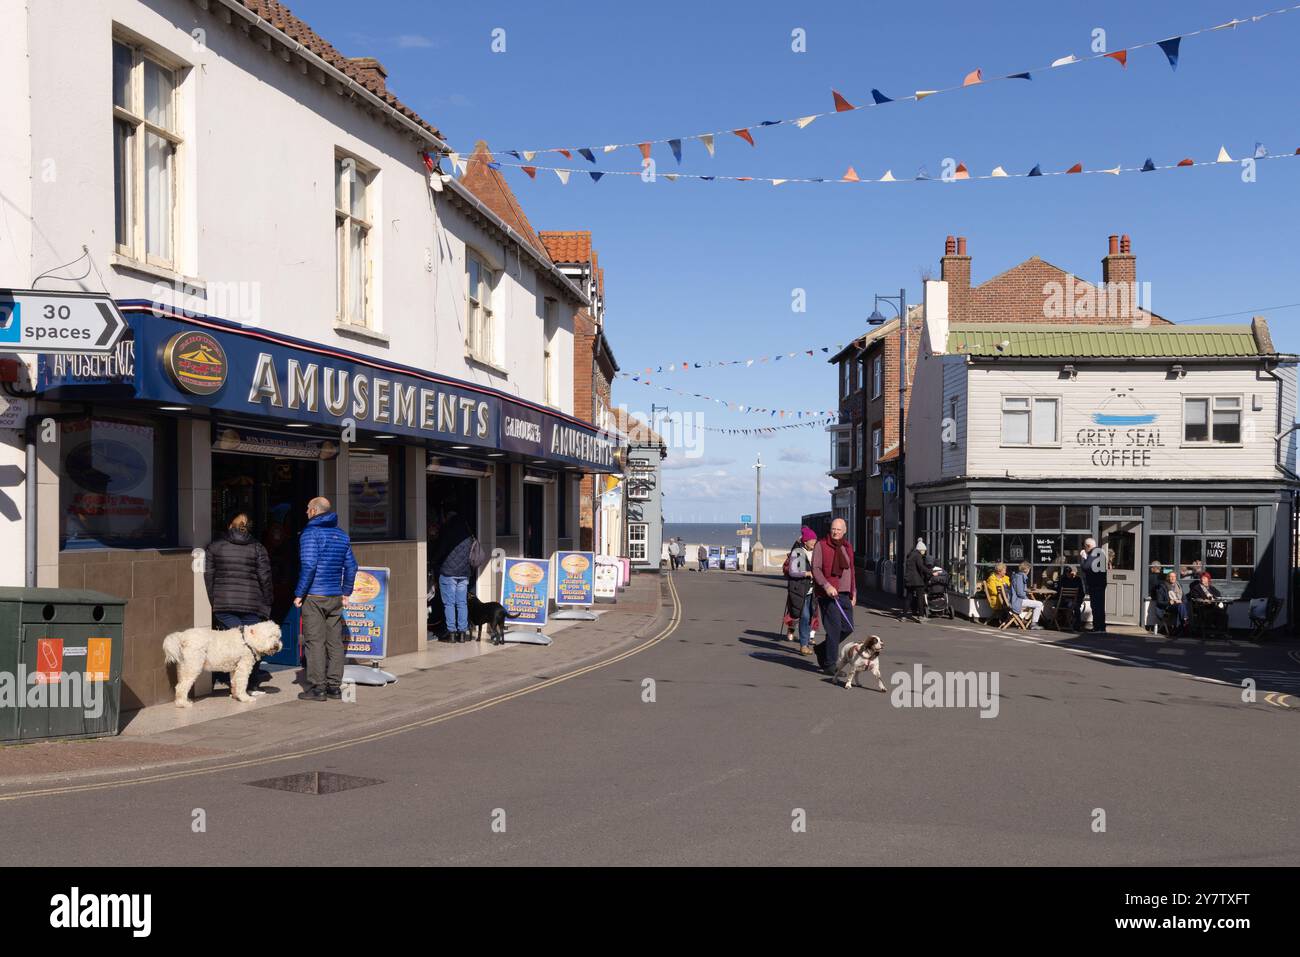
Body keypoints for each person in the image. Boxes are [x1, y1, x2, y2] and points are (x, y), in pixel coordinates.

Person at [294, 496, 358, 702]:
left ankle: (318, 688)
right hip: (334, 596)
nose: (305, 512)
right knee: (335, 643)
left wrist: (299, 593)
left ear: (314, 511)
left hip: (314, 596)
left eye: (307, 508)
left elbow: (309, 565)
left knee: (314, 642)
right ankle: (334, 687)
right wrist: (346, 591)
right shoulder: (341, 534)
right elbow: (352, 566)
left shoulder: (309, 534)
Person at [204, 513, 274, 694]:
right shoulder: (258, 547)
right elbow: (265, 577)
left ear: (230, 526)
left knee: (235, 644)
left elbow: (209, 577)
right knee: (254, 644)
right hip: (252, 603)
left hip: (224, 605)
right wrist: (267, 602)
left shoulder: (215, 547)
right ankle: (250, 684)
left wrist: (215, 600)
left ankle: (237, 685)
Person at [812, 518, 856, 674]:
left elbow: (851, 571)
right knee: (834, 629)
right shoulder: (821, 545)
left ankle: (822, 649)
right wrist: (826, 585)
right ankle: (830, 664)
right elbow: (816, 569)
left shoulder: (847, 546)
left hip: (845, 594)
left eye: (838, 529)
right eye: (833, 529)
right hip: (829, 594)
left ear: (844, 531)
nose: (835, 532)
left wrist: (854, 591)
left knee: (848, 627)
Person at [428, 509, 474, 643]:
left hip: (448, 573)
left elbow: (440, 551)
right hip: (464, 573)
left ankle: (452, 633)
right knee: (462, 603)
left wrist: (433, 561)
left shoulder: (447, 532)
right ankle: (462, 633)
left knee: (449, 604)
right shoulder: (468, 533)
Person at [783, 527, 820, 655]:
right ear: (805, 541)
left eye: (815, 539)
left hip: (813, 590)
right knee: (804, 616)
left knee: (810, 616)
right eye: (812, 539)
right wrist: (807, 573)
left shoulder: (815, 552)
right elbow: (793, 572)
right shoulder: (798, 552)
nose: (814, 541)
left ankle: (801, 636)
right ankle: (803, 645)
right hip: (799, 589)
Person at [1080, 536, 1108, 634]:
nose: (1085, 549)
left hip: (1095, 584)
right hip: (1101, 583)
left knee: (1096, 606)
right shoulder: (1101, 552)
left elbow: (1086, 567)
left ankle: (1098, 627)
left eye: (1085, 547)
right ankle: (1101, 627)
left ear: (1088, 546)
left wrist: (1083, 558)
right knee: (1100, 606)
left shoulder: (1094, 552)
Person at [903, 538, 933, 620]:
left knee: (908, 598)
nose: (924, 552)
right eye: (924, 550)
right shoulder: (918, 556)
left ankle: (904, 616)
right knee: (920, 598)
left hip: (908, 580)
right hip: (917, 581)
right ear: (920, 549)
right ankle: (921, 616)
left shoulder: (910, 555)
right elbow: (921, 567)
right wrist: (931, 572)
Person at [1189, 571, 1227, 635]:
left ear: (1208, 579)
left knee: (1223, 614)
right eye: (1201, 578)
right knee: (1215, 612)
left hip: (1213, 607)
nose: (1202, 579)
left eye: (1204, 578)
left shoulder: (1211, 587)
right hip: (1202, 608)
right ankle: (1210, 632)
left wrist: (1213, 597)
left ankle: (1221, 632)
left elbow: (1218, 595)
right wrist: (1205, 599)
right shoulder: (1197, 588)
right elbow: (1196, 597)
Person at [1009, 561, 1044, 629]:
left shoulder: (1017, 575)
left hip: (1016, 600)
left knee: (1037, 604)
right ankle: (1033, 624)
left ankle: (1026, 619)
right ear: (1026, 569)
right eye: (1029, 569)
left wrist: (1026, 591)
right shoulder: (1020, 577)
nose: (1029, 571)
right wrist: (1026, 597)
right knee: (1039, 604)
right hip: (1017, 601)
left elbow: (1019, 590)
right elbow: (1020, 593)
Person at [1056, 564, 1084, 629]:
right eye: (1068, 572)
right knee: (1075, 607)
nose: (1069, 574)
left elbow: (1058, 591)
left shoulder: (1063, 579)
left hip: (1068, 601)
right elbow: (1082, 593)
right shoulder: (1077, 579)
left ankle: (1063, 623)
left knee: (1072, 606)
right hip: (1069, 601)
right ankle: (1075, 624)